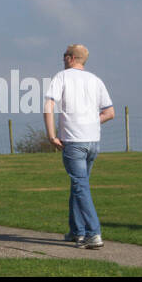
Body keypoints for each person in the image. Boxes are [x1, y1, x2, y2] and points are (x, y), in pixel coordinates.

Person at [43, 43, 114, 249]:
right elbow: (110, 112)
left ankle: (93, 234)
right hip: (93, 141)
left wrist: (51, 135)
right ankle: (77, 231)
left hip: (73, 141)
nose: (63, 58)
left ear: (71, 58)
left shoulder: (61, 77)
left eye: (64, 55)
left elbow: (48, 106)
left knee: (80, 186)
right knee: (79, 185)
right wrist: (90, 121)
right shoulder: (96, 80)